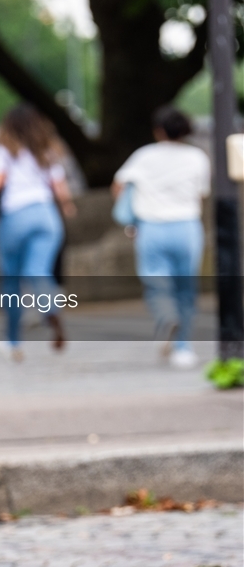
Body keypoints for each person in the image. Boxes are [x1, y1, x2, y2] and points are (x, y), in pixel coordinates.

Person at [113, 106, 210, 369]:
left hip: (152, 228)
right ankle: (183, 348)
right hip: (187, 227)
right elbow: (202, 193)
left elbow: (119, 185)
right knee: (186, 289)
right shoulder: (197, 157)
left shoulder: (144, 156)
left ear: (158, 131)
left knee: (156, 282)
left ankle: (166, 318)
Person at [0, 104, 75, 361]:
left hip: (15, 215)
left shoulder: (4, 151)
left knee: (11, 281)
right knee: (39, 271)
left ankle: (13, 341)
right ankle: (51, 308)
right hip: (46, 216)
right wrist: (67, 207)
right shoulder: (46, 151)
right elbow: (61, 190)